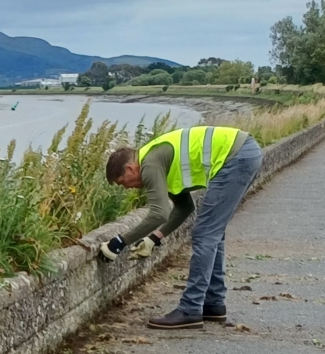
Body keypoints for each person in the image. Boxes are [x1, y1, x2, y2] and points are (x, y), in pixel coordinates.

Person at [103, 124, 262, 328]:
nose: (127, 188)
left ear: (130, 169)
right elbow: (184, 207)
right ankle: (213, 303)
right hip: (243, 152)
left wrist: (118, 242)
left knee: (205, 234)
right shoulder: (157, 160)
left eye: (123, 182)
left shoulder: (149, 164)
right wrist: (154, 239)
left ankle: (190, 309)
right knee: (213, 233)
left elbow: (159, 213)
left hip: (235, 157)